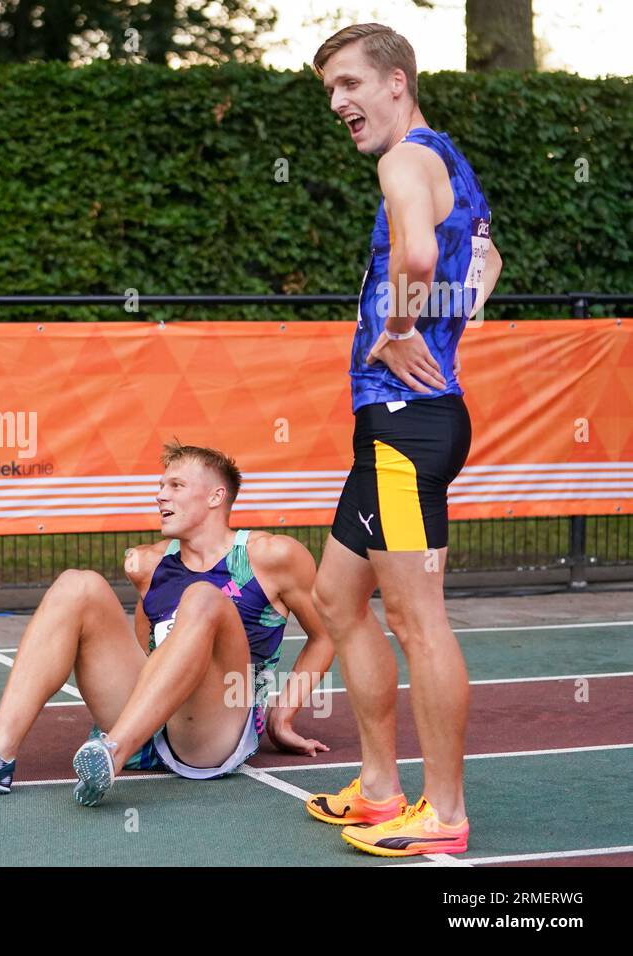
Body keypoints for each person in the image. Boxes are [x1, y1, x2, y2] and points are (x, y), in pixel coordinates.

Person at [306, 23, 502, 856]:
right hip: (400, 426)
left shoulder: (402, 162)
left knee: (418, 620)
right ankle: (383, 789)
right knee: (336, 599)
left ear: (397, 81)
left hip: (404, 425)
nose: (341, 103)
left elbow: (421, 254)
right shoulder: (446, 158)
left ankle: (446, 815)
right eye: (330, 92)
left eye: (351, 84)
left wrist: (396, 327)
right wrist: (451, 312)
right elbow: (486, 259)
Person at [0, 444, 335, 806]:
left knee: (204, 596)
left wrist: (282, 715)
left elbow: (325, 636)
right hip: (157, 722)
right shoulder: (152, 563)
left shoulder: (273, 555)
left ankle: (113, 752)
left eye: (176, 486)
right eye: (160, 485)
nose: (159, 495)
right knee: (79, 584)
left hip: (215, 727)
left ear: (216, 496)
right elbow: (145, 653)